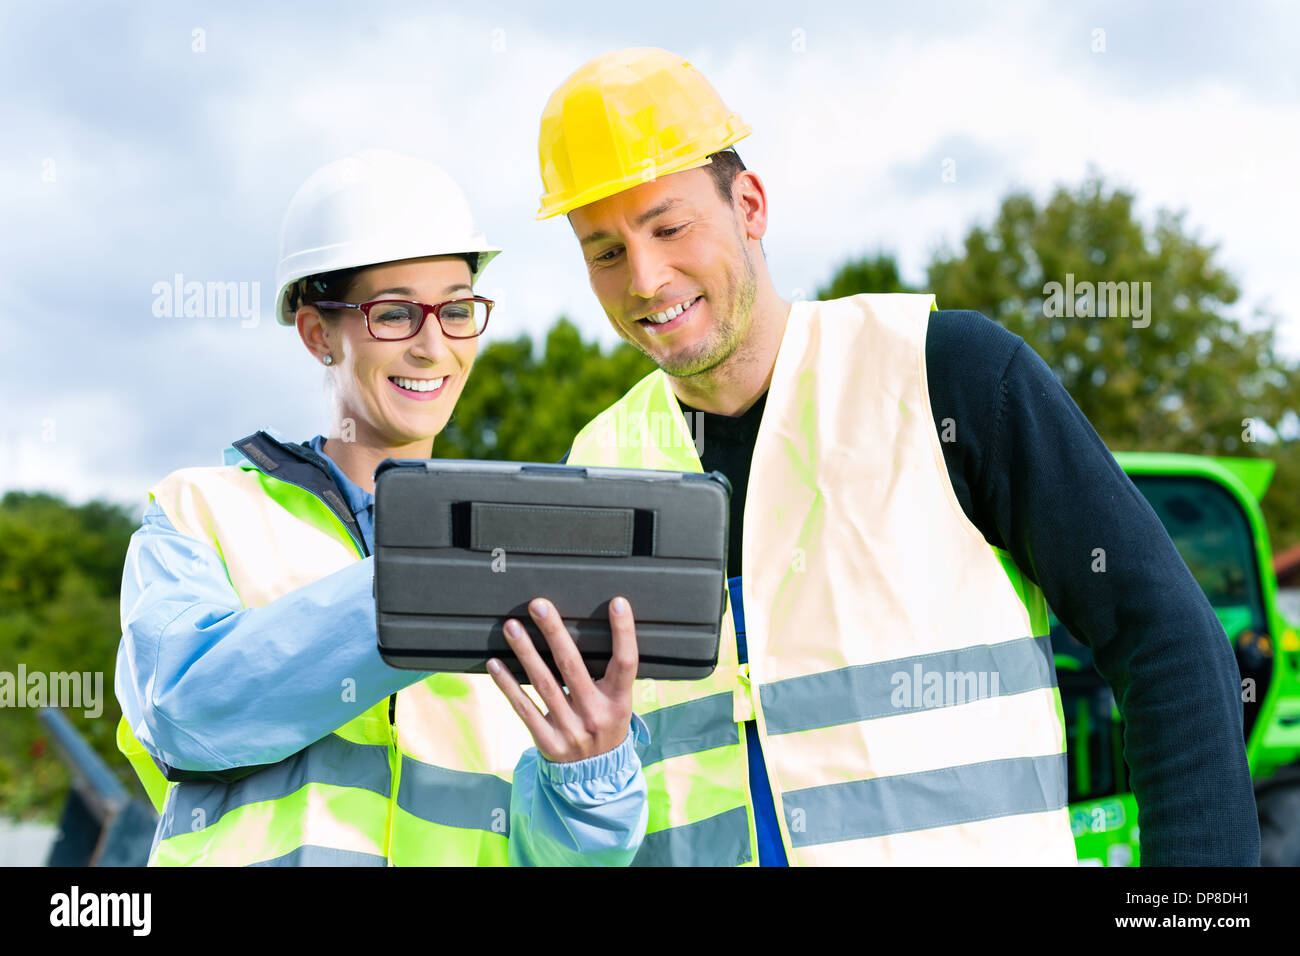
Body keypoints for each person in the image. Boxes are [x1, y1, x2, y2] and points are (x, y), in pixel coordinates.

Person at [537, 47, 1259, 865]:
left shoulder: (945, 372)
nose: (645, 277)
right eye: (604, 252)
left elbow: (1165, 640)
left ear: (749, 204)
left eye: (670, 226)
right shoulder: (597, 467)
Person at [114, 149, 648, 866]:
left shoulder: (523, 548)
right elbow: (188, 713)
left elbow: (553, 858)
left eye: (457, 310)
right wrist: (427, 575)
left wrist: (590, 775)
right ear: (316, 334)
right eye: (395, 314)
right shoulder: (202, 510)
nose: (434, 347)